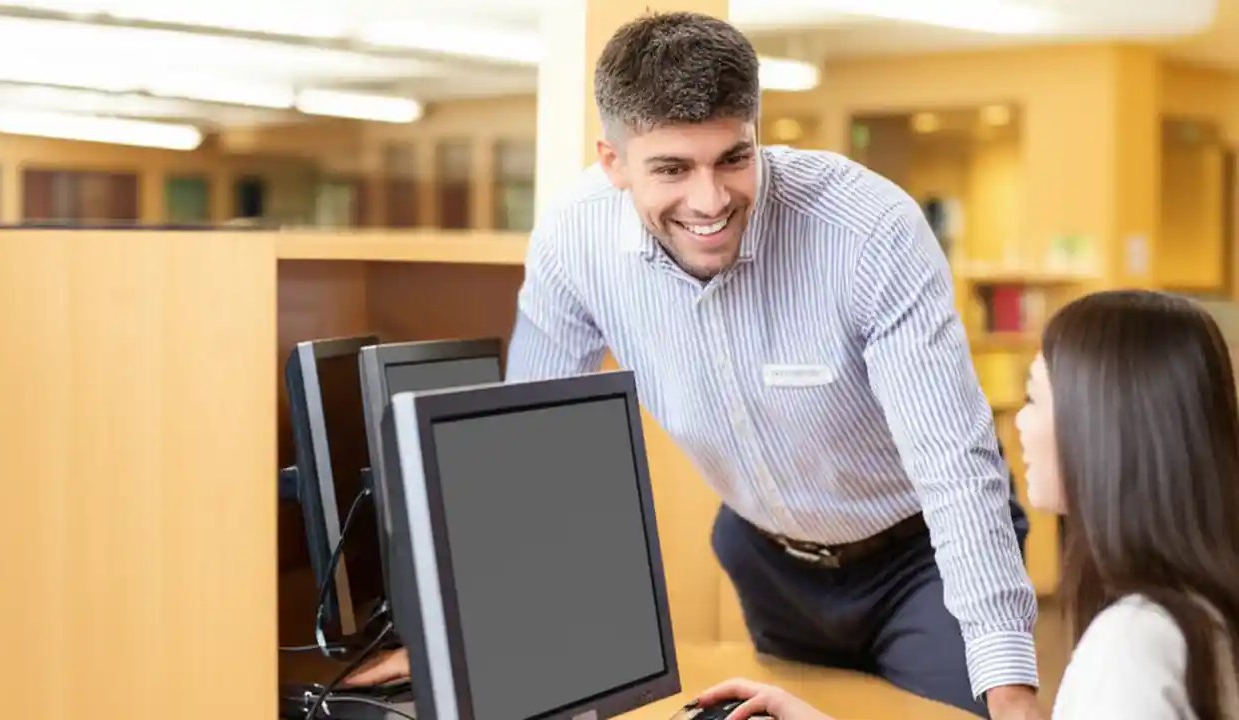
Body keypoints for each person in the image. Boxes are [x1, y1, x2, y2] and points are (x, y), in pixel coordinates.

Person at [350, 11, 1041, 718]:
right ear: (613, 162)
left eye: (733, 159)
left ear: (756, 133)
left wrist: (1010, 691)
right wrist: (463, 639)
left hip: (920, 558)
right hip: (769, 562)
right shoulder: (574, 240)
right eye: (673, 169)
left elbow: (953, 465)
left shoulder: (867, 231)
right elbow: (531, 448)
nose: (710, 201)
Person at [694, 289, 1239, 719]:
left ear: (1106, 432)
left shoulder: (1132, 646)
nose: (1017, 424)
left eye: (1033, 400)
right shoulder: (1193, 617)